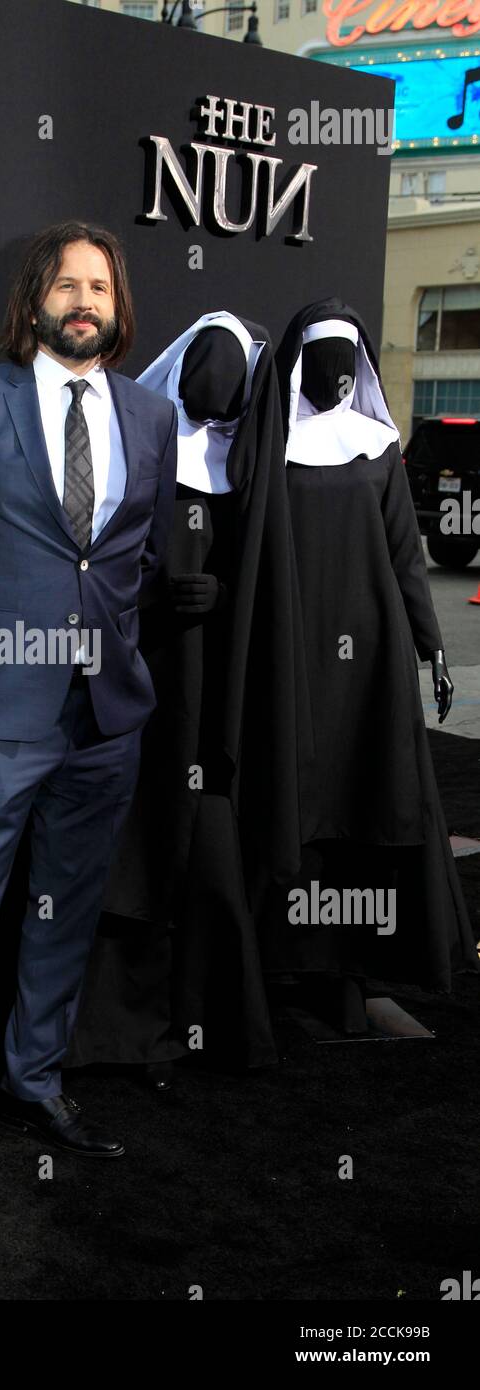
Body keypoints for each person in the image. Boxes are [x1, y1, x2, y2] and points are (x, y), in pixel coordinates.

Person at [0, 220, 178, 1226]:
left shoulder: (149, 416)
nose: (84, 298)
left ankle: (35, 1079)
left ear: (118, 303)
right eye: (66, 283)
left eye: (99, 283)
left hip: (104, 716)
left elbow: (131, 561)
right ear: (34, 300)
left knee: (64, 908)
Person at [66, 311, 306, 1082]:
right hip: (144, 672)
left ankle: (208, 1018)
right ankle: (112, 1030)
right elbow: (93, 559)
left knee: (201, 841)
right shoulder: (136, 444)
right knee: (132, 842)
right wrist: (159, 597)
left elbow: (270, 583)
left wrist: (227, 594)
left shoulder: (255, 470)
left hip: (213, 691)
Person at [260, 299, 477, 1025]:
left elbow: (406, 558)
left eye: (344, 362)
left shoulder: (378, 446)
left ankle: (352, 969)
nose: (336, 376)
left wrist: (433, 649)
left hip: (371, 658)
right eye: (322, 363)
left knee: (364, 804)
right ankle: (287, 959)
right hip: (293, 650)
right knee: (302, 801)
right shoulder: (270, 446)